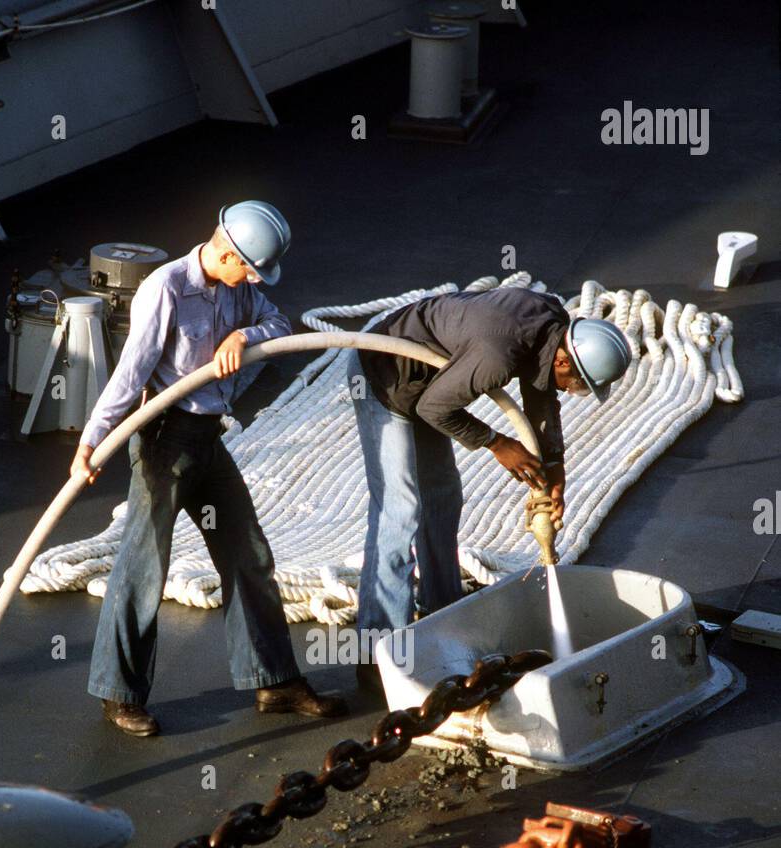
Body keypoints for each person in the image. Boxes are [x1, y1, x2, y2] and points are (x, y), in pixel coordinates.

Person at [69, 200, 347, 735]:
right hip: (163, 438)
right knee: (143, 565)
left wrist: (245, 336)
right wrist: (92, 441)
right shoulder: (165, 289)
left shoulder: (239, 285)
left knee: (248, 552)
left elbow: (278, 322)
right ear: (225, 252)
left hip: (208, 436)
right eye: (248, 269)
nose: (252, 281)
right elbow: (131, 376)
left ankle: (274, 680)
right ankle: (118, 692)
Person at [346, 286, 632, 688]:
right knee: (401, 509)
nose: (573, 390)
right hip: (385, 373)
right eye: (577, 382)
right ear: (565, 357)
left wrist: (553, 464)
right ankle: (375, 651)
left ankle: (442, 611)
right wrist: (497, 443)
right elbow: (434, 408)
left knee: (442, 498)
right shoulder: (497, 354)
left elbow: (540, 392)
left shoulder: (553, 323)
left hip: (428, 382)